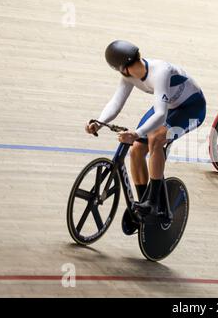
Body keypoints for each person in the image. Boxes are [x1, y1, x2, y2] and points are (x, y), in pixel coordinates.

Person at [86, 40, 206, 232]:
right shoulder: (128, 77)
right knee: (136, 150)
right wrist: (99, 122)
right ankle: (142, 205)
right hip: (171, 105)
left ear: (122, 69)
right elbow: (116, 102)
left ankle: (153, 203)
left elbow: (160, 115)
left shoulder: (161, 72)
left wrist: (137, 133)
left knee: (155, 139)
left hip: (193, 108)